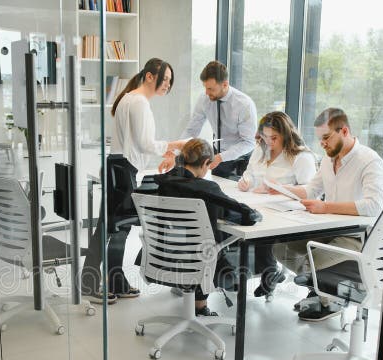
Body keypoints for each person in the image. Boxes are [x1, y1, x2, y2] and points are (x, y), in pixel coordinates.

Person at [80, 58, 185, 305]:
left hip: (118, 166)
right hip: (123, 169)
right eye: (164, 79)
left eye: (170, 80)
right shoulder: (139, 102)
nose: (167, 84)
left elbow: (138, 144)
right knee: (115, 229)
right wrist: (176, 146)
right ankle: (91, 282)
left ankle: (111, 280)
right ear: (150, 76)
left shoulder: (129, 99)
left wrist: (167, 151)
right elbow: (145, 144)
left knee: (114, 228)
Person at [274, 107, 383, 321]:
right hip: (326, 228)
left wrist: (326, 207)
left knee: (313, 260)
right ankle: (321, 289)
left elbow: (374, 206)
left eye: (326, 137)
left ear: (344, 131)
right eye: (320, 139)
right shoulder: (329, 158)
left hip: (353, 237)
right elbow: (311, 190)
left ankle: (330, 301)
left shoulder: (370, 161)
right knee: (280, 248)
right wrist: (278, 188)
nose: (322, 144)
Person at [138, 139, 261, 315]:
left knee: (202, 238)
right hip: (195, 259)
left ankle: (199, 305)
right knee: (214, 241)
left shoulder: (158, 181)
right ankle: (201, 304)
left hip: (161, 255)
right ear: (205, 163)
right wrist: (254, 213)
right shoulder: (206, 187)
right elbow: (244, 215)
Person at [236, 111, 317, 298]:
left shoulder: (301, 157)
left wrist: (283, 188)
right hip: (259, 203)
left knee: (260, 225)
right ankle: (267, 273)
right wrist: (245, 181)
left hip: (289, 213)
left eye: (274, 137)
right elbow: (249, 172)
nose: (269, 142)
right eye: (265, 137)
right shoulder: (260, 149)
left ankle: (268, 273)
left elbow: (312, 190)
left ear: (286, 134)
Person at [173, 61, 258, 179]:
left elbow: (249, 142)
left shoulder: (244, 104)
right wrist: (176, 154)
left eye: (211, 89)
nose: (207, 93)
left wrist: (220, 157)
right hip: (218, 155)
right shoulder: (204, 99)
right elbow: (192, 130)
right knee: (218, 191)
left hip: (241, 159)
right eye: (205, 88)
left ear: (224, 84)